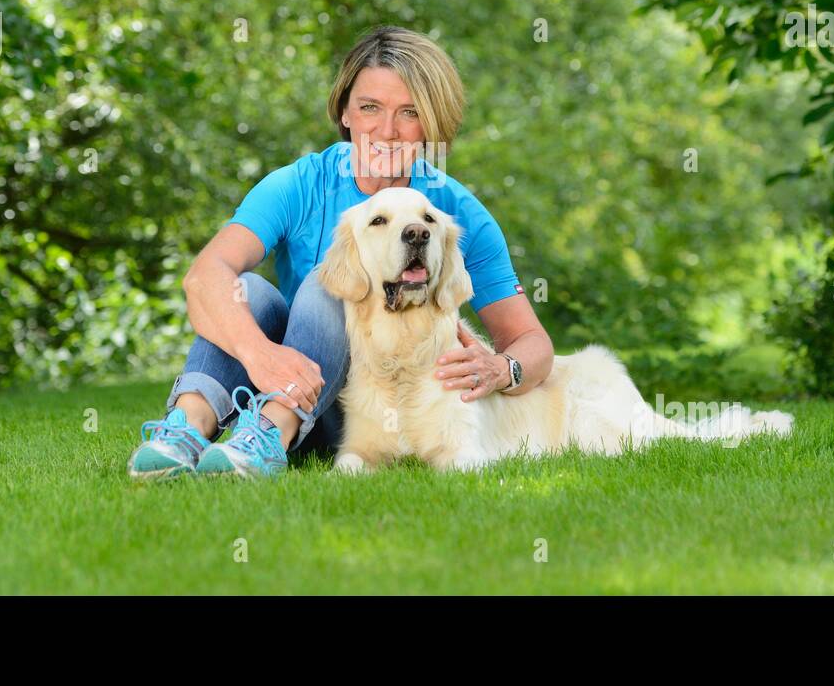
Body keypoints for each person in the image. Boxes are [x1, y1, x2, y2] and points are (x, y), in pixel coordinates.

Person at [127, 25, 555, 479]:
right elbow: (203, 277)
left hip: (361, 417)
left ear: (432, 122)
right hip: (294, 383)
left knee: (326, 286)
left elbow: (534, 345)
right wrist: (261, 356)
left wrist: (500, 368)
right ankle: (184, 432)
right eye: (370, 107)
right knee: (247, 289)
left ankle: (270, 433)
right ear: (345, 112)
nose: (386, 131)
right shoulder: (298, 184)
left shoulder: (451, 214)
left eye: (409, 112)